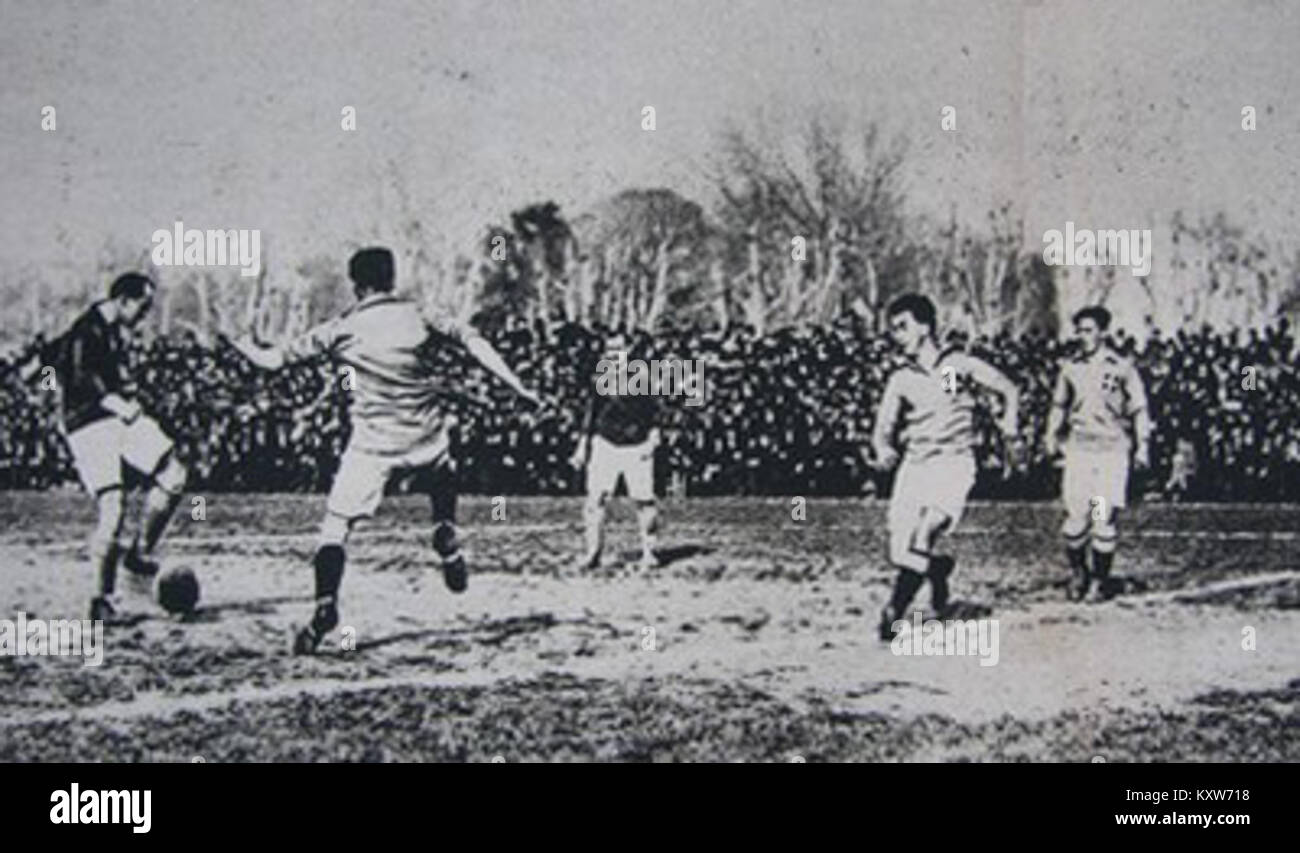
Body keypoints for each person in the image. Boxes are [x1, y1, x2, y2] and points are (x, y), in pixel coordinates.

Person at [225, 247, 541, 653]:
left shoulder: (342, 327)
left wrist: (241, 342)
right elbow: (473, 342)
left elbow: (273, 363)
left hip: (374, 442)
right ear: (392, 279)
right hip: (423, 432)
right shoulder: (419, 314)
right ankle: (444, 528)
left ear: (356, 284)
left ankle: (326, 606)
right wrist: (518, 387)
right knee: (442, 464)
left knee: (335, 529)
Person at [870, 294, 1020, 640]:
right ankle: (936, 570)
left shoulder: (958, 365)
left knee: (925, 532)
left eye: (902, 327)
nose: (896, 335)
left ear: (924, 327)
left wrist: (1009, 423)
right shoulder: (901, 378)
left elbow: (1008, 388)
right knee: (901, 551)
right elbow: (883, 427)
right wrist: (882, 448)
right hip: (915, 467)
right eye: (893, 329)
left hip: (953, 465)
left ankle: (894, 612)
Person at [43, 273, 188, 622]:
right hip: (89, 424)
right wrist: (121, 404)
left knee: (175, 473)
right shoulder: (88, 329)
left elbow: (50, 357)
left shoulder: (106, 329)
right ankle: (101, 599)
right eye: (143, 306)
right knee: (114, 506)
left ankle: (137, 554)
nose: (145, 314)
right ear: (123, 300)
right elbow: (80, 377)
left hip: (114, 417)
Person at [1044, 305, 1151, 602]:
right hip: (1079, 451)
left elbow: (1140, 409)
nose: (1083, 336)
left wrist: (1143, 445)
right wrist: (1051, 434)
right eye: (1079, 330)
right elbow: (1059, 405)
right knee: (1075, 521)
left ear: (1103, 332)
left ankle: (1099, 582)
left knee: (1103, 519)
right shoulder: (1070, 367)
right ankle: (1080, 572)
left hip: (1111, 452)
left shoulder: (1122, 367)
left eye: (1089, 330)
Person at [570, 334, 662, 571]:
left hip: (636, 444)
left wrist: (653, 438)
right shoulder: (599, 377)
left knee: (644, 501)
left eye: (618, 349)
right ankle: (593, 552)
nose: (613, 353)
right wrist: (582, 446)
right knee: (595, 500)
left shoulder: (643, 376)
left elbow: (656, 411)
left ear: (627, 350)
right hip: (605, 444)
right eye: (609, 349)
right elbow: (590, 415)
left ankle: (649, 552)